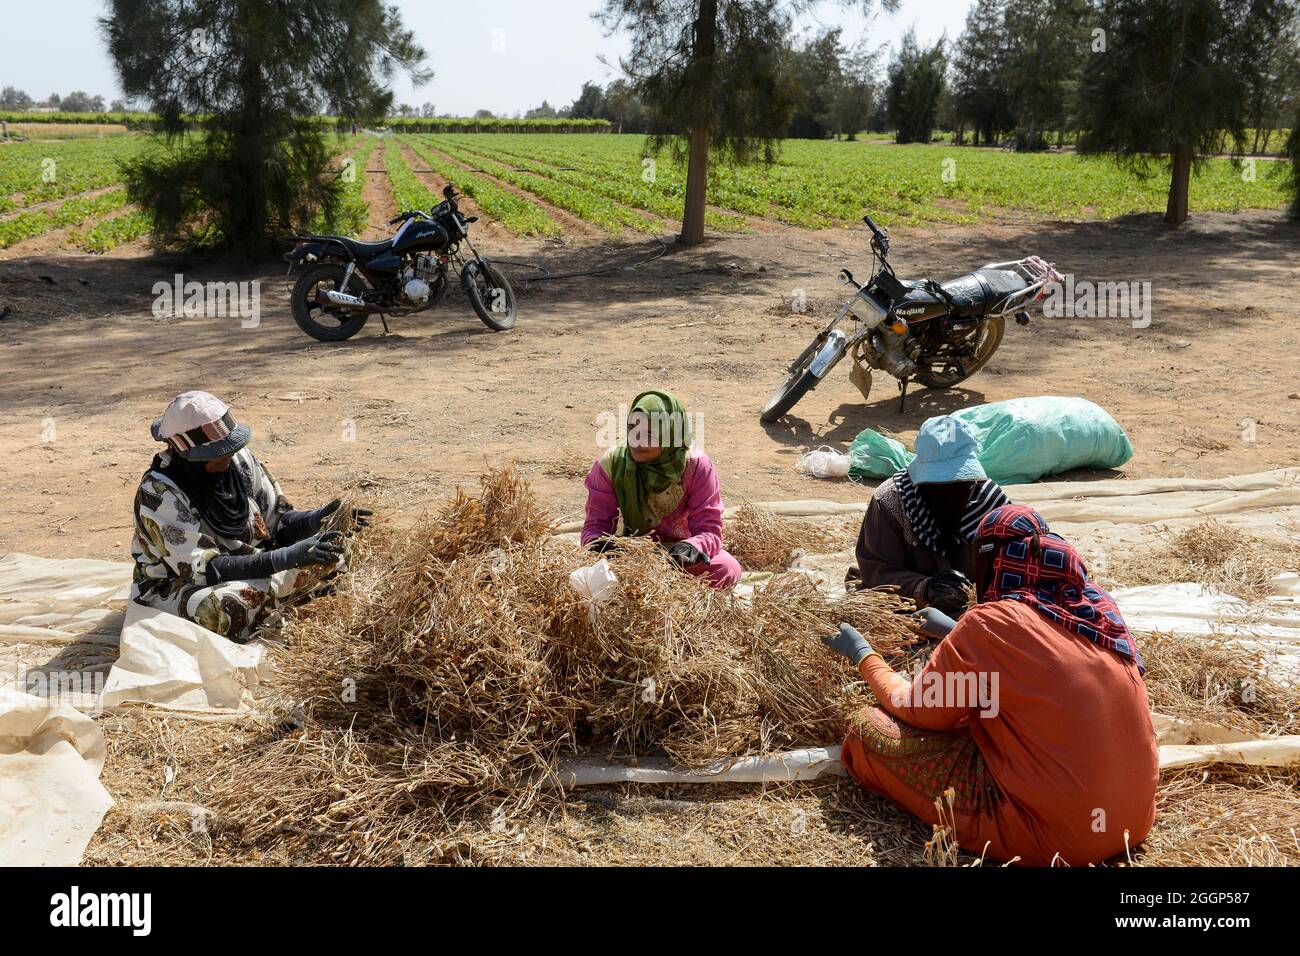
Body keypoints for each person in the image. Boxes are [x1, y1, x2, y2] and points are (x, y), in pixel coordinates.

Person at [822, 504, 1158, 866]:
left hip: (1053, 837)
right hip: (1131, 823)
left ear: (990, 564)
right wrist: (954, 632)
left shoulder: (990, 624)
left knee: (867, 726)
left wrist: (864, 654)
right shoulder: (1097, 608)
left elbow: (915, 708)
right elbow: (1044, 666)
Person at [130, 391, 372, 642]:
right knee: (221, 608)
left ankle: (276, 596)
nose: (228, 455)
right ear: (187, 455)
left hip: (256, 565)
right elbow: (207, 569)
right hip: (183, 584)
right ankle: (283, 595)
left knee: (337, 549)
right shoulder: (159, 493)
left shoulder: (238, 460)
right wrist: (286, 558)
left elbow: (278, 521)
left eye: (230, 447)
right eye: (217, 452)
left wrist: (317, 520)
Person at [581, 389, 741, 589]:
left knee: (727, 568)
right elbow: (594, 527)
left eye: (650, 433)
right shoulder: (612, 464)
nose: (637, 440)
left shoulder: (696, 466)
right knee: (586, 577)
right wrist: (599, 546)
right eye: (632, 428)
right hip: (630, 556)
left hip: (679, 557)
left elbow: (710, 531)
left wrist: (691, 547)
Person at [851, 415, 1008, 618]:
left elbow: (1013, 561)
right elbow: (876, 568)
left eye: (960, 484)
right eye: (939, 486)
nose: (950, 494)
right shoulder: (891, 500)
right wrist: (925, 588)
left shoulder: (989, 501)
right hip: (911, 609)